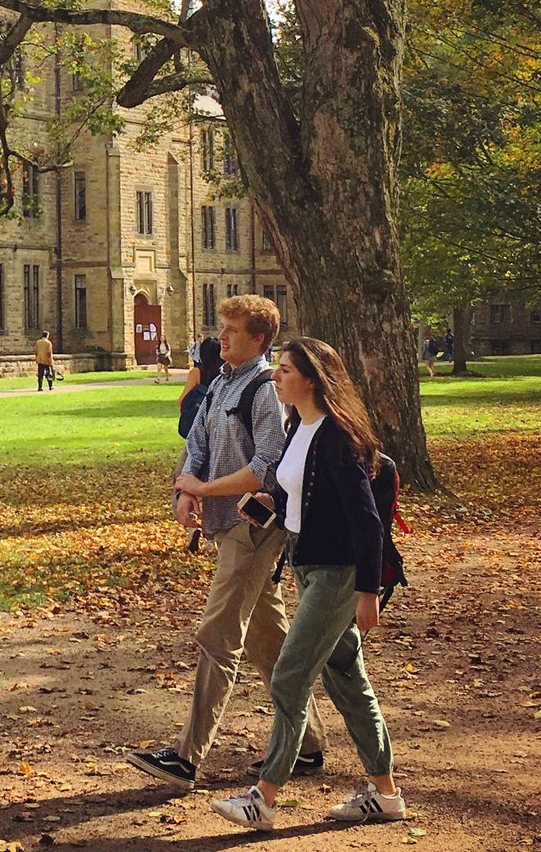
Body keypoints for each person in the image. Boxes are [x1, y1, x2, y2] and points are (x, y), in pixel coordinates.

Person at [125, 294, 327, 794]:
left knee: (218, 637)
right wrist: (184, 490)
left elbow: (268, 465)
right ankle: (307, 743)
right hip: (223, 526)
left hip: (255, 530)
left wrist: (205, 490)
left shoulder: (264, 390)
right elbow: (196, 444)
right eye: (222, 329)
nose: (223, 338)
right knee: (268, 640)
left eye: (233, 331)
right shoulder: (219, 383)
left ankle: (187, 757)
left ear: (259, 339)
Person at [205, 338, 405, 830]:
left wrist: (367, 591)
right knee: (348, 680)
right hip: (307, 566)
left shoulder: (337, 437)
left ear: (312, 379)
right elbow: (298, 491)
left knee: (291, 676)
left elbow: (366, 522)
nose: (275, 376)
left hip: (337, 575)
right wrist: (272, 504)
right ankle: (386, 795)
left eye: (285, 369)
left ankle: (264, 797)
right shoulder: (299, 425)